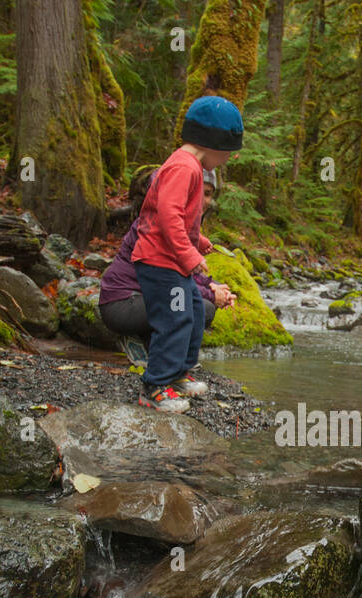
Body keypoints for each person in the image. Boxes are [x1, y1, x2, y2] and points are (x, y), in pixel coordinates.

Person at [130, 95, 242, 413]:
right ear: (215, 143)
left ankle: (178, 374)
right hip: (159, 261)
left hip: (173, 262)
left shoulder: (189, 165)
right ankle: (155, 386)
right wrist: (189, 255)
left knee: (193, 312)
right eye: (229, 152)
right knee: (175, 318)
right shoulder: (183, 167)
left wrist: (199, 240)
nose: (228, 159)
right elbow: (167, 215)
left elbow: (180, 217)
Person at [98, 169, 235, 366]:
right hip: (123, 303)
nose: (203, 200)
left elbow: (185, 274)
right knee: (200, 307)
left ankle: (150, 348)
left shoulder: (180, 228)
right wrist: (211, 295)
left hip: (147, 299)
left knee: (202, 306)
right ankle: (150, 348)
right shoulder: (157, 227)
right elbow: (171, 282)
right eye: (197, 192)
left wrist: (212, 285)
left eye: (207, 194)